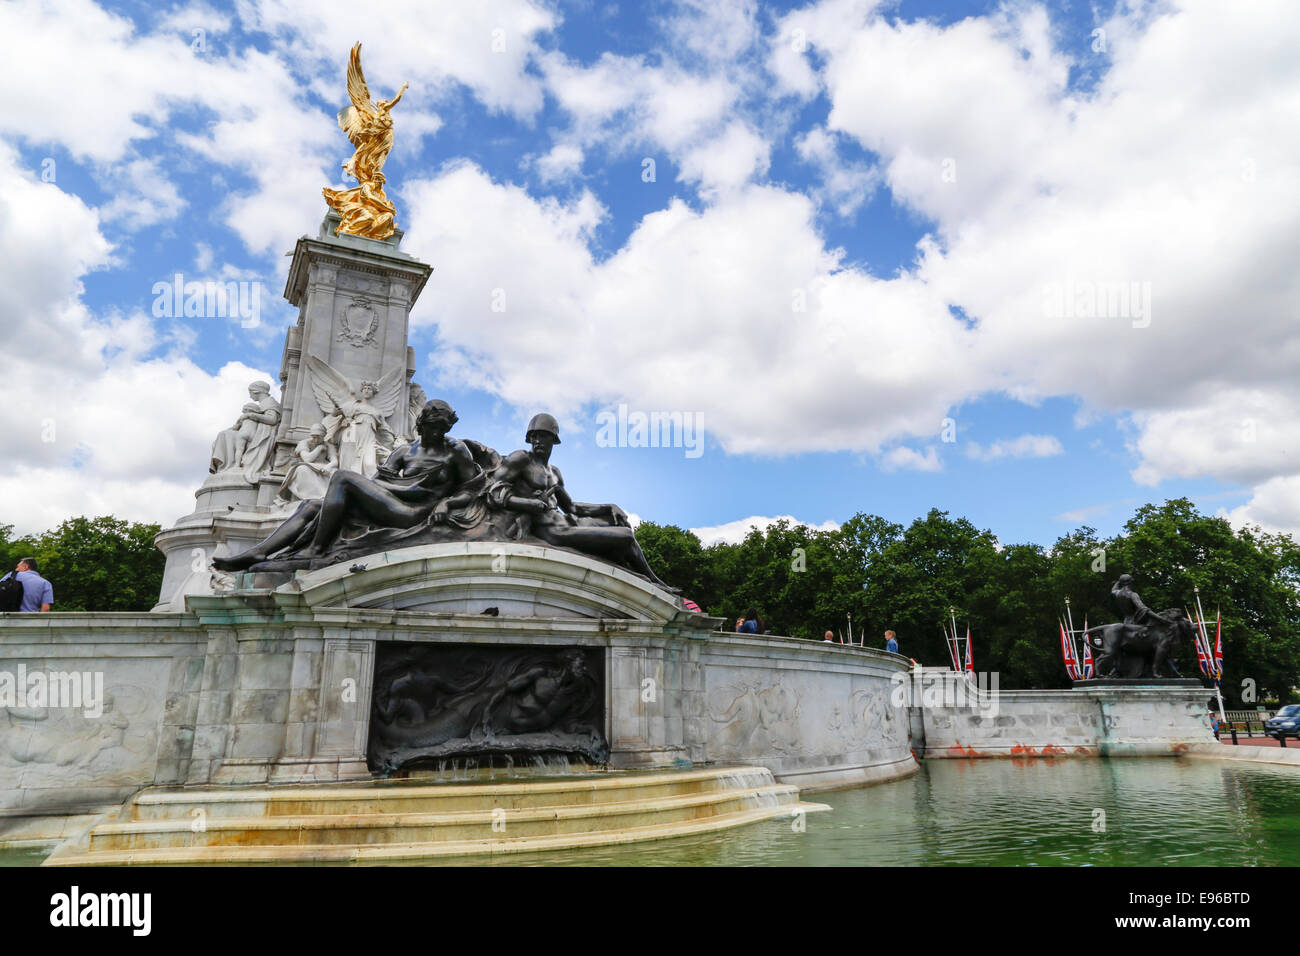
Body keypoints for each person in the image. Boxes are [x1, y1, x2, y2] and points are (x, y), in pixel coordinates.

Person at [213, 399, 486, 570]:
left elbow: (472, 488)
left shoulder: (455, 450)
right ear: (421, 424)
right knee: (311, 504)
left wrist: (447, 502)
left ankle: (316, 550)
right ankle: (257, 553)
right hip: (394, 503)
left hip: (416, 513)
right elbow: (378, 483)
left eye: (443, 429)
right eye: (433, 427)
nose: (438, 433)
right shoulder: (404, 453)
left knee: (342, 477)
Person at [488, 413, 677, 591]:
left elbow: (572, 507)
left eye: (544, 436)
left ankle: (640, 580)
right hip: (550, 531)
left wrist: (610, 507)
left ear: (554, 440)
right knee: (626, 536)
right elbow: (493, 491)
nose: (537, 441)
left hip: (567, 522)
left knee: (615, 521)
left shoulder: (555, 472)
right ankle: (655, 584)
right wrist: (528, 504)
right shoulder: (521, 459)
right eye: (534, 436)